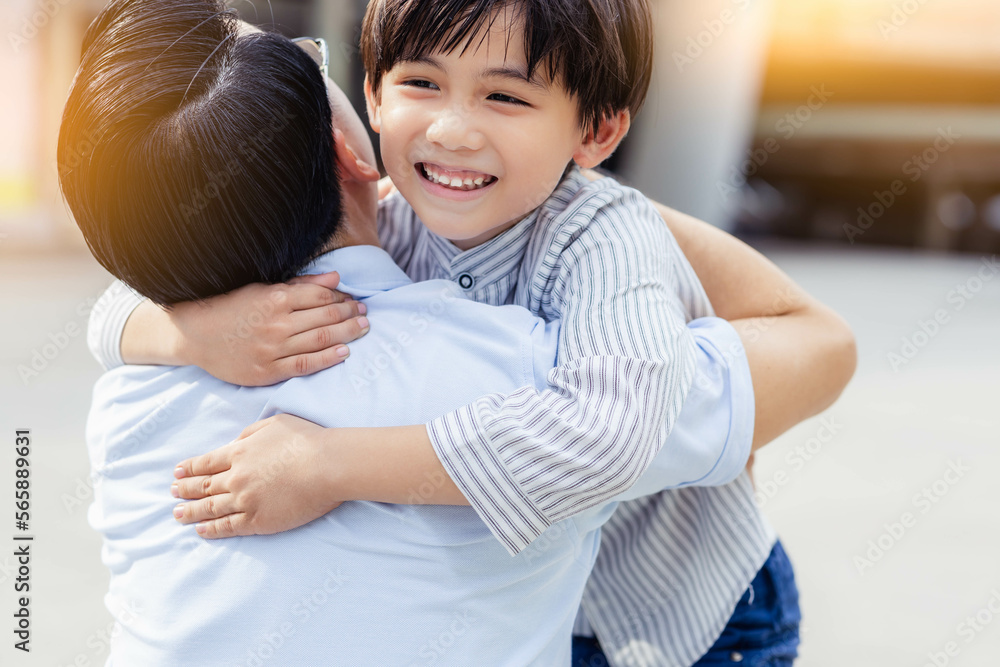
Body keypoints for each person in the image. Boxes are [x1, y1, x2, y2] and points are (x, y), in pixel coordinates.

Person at [79, 1, 857, 665]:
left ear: (597, 133)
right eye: (421, 82)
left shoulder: (604, 237)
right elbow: (114, 306)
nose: (451, 130)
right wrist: (188, 333)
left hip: (680, 608)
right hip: (555, 586)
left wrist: (328, 464)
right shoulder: (391, 210)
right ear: (371, 100)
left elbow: (613, 432)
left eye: (507, 99)